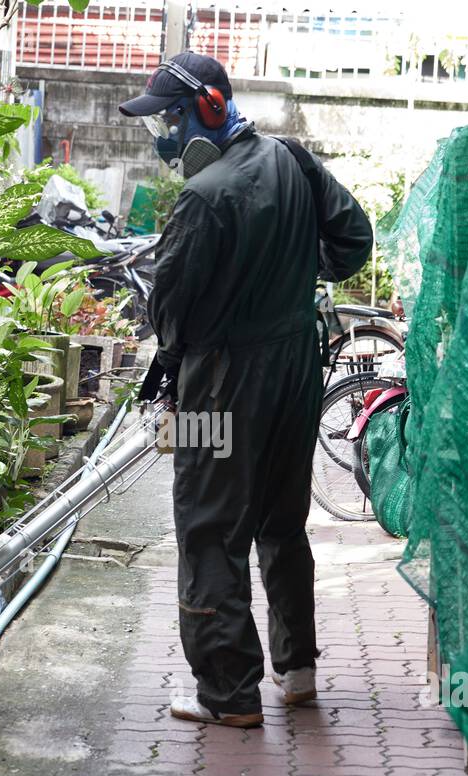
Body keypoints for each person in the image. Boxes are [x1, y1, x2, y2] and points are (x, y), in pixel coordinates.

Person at [120, 52, 373, 727]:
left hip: (222, 386)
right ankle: (298, 672)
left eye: (167, 121)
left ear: (205, 110)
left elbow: (168, 311)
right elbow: (353, 239)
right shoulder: (294, 160)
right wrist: (297, 277)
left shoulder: (203, 200)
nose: (163, 137)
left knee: (210, 528)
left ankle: (228, 695)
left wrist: (175, 365)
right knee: (282, 522)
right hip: (296, 372)